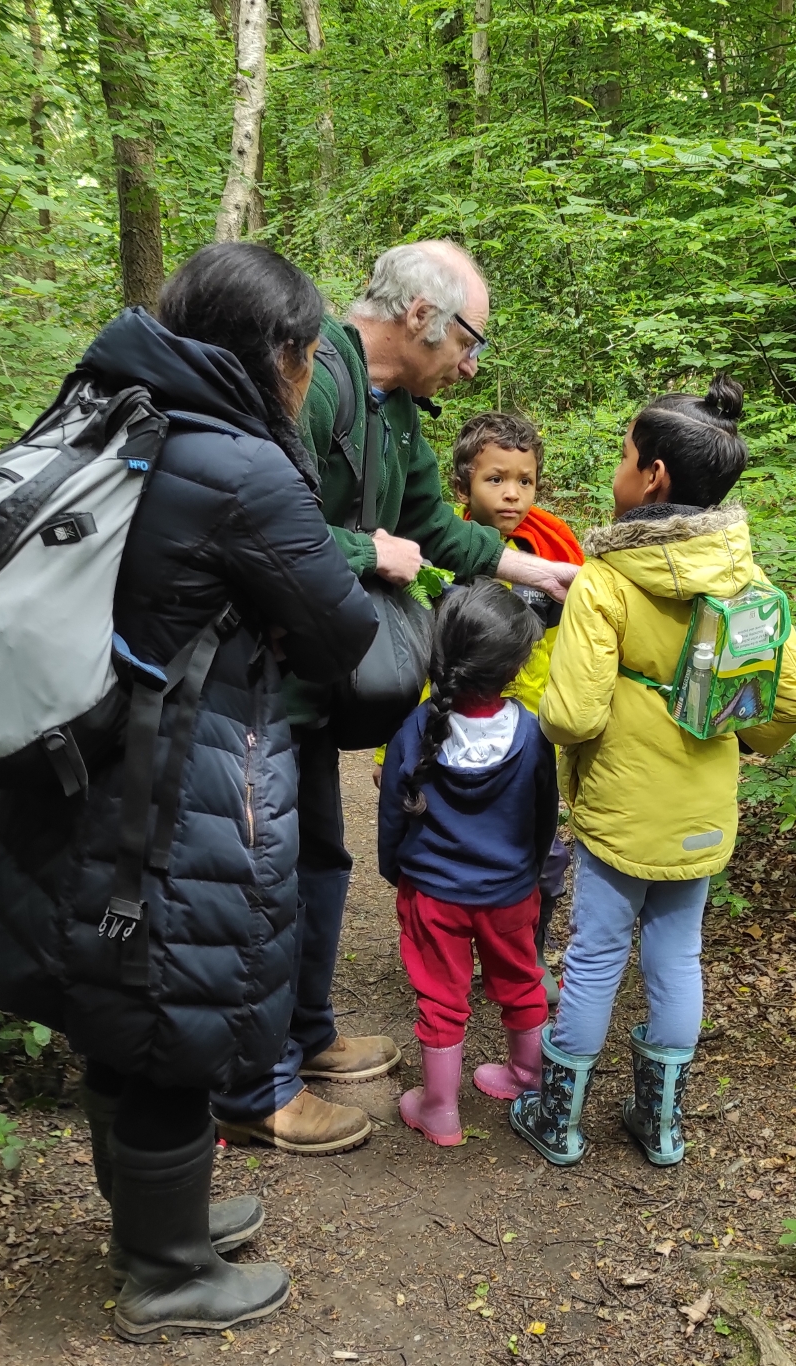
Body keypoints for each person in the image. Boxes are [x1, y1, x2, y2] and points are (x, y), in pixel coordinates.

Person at [0, 243, 379, 1341]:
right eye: (306, 353)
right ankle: (166, 1269)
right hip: (166, 790)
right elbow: (341, 631)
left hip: (72, 773)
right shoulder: (239, 467)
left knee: (121, 1007)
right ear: (280, 355)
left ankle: (158, 1217)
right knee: (168, 1020)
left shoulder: (114, 413)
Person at [213, 241, 580, 1156]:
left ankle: (306, 1032)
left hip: (308, 687)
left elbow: (437, 529)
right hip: (246, 684)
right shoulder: (315, 379)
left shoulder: (404, 418)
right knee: (261, 873)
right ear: (421, 316)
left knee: (321, 860)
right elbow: (249, 519)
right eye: (470, 340)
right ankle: (255, 1083)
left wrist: (549, 571)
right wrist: (365, 555)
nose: (471, 363)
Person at [510, 376, 796, 1168]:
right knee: (677, 957)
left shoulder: (608, 579)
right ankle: (658, 1124)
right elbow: (793, 694)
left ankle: (559, 1121)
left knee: (593, 958)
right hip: (702, 806)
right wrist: (741, 737)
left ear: (653, 478)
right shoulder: (745, 578)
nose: (616, 469)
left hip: (619, 810)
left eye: (622, 455)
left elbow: (574, 715)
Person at [378, 581, 558, 1145]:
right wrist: (527, 873)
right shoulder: (530, 733)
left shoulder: (419, 727)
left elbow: (391, 816)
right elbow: (543, 817)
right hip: (510, 893)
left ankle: (439, 1109)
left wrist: (397, 872)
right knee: (522, 980)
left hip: (433, 895)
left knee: (441, 995)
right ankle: (528, 1077)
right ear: (516, 665)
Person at [451, 411, 584, 1003]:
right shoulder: (441, 555)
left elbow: (577, 644)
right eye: (495, 479)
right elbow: (424, 656)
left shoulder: (555, 551)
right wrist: (387, 746)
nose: (512, 493)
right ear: (463, 486)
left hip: (535, 734)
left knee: (545, 852)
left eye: (524, 480)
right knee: (459, 843)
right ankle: (454, 945)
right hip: (455, 729)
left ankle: (527, 947)